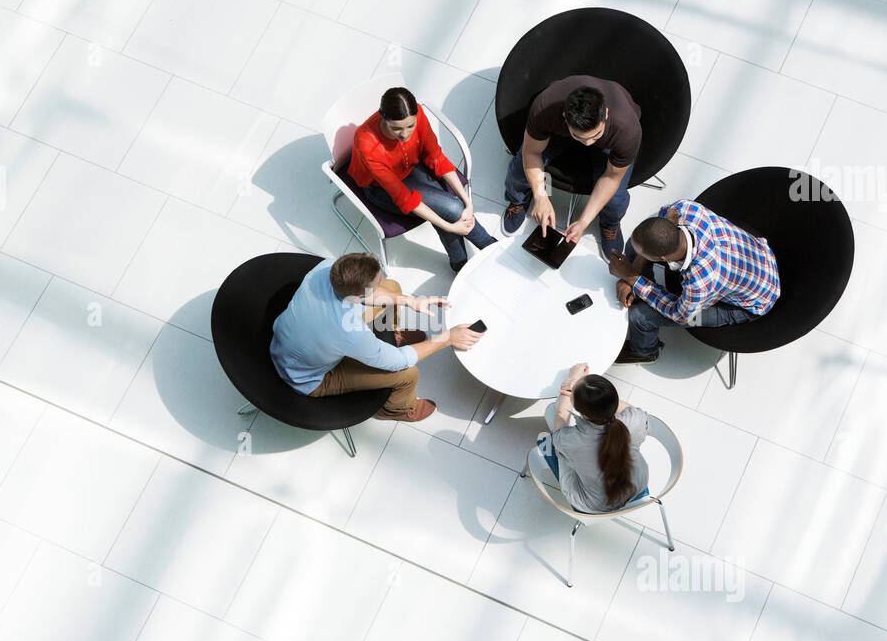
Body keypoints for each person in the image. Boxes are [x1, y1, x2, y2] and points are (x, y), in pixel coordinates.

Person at [269, 252, 482, 423]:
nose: (381, 281)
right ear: (360, 296)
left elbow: (372, 293)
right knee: (408, 374)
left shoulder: (326, 267)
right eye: (375, 281)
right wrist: (448, 338)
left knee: (392, 289)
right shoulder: (349, 332)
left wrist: (410, 301)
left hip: (295, 338)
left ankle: (392, 336)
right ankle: (397, 409)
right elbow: (398, 361)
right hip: (308, 378)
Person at [606, 199, 781, 365]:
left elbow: (680, 315)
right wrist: (634, 274)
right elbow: (658, 222)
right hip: (756, 258)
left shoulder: (700, 281)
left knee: (640, 316)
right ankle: (642, 290)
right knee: (633, 246)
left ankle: (645, 352)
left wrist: (632, 279)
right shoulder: (685, 209)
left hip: (750, 304)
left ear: (662, 258)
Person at [349, 86, 496, 272]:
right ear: (383, 117)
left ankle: (461, 264)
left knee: (454, 207)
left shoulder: (418, 115)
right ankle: (491, 248)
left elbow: (437, 158)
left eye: (410, 126)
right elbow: (405, 199)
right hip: (380, 188)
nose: (405, 134)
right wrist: (451, 227)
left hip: (409, 166)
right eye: (396, 128)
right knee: (452, 208)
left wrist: (468, 201)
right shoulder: (367, 144)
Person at [501, 75, 641, 262]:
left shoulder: (626, 130)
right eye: (581, 138)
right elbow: (531, 153)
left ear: (605, 114)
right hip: (559, 134)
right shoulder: (544, 108)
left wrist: (583, 222)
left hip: (609, 142)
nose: (589, 143)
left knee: (615, 199)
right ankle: (518, 200)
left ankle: (610, 224)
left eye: (595, 135)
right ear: (565, 118)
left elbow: (611, 178)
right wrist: (541, 197)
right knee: (519, 169)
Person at [535, 364, 650, 513]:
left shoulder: (573, 441)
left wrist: (570, 384)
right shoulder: (635, 420)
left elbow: (560, 421)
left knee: (547, 435)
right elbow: (624, 408)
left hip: (593, 505)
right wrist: (584, 388)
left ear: (582, 414)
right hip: (636, 485)